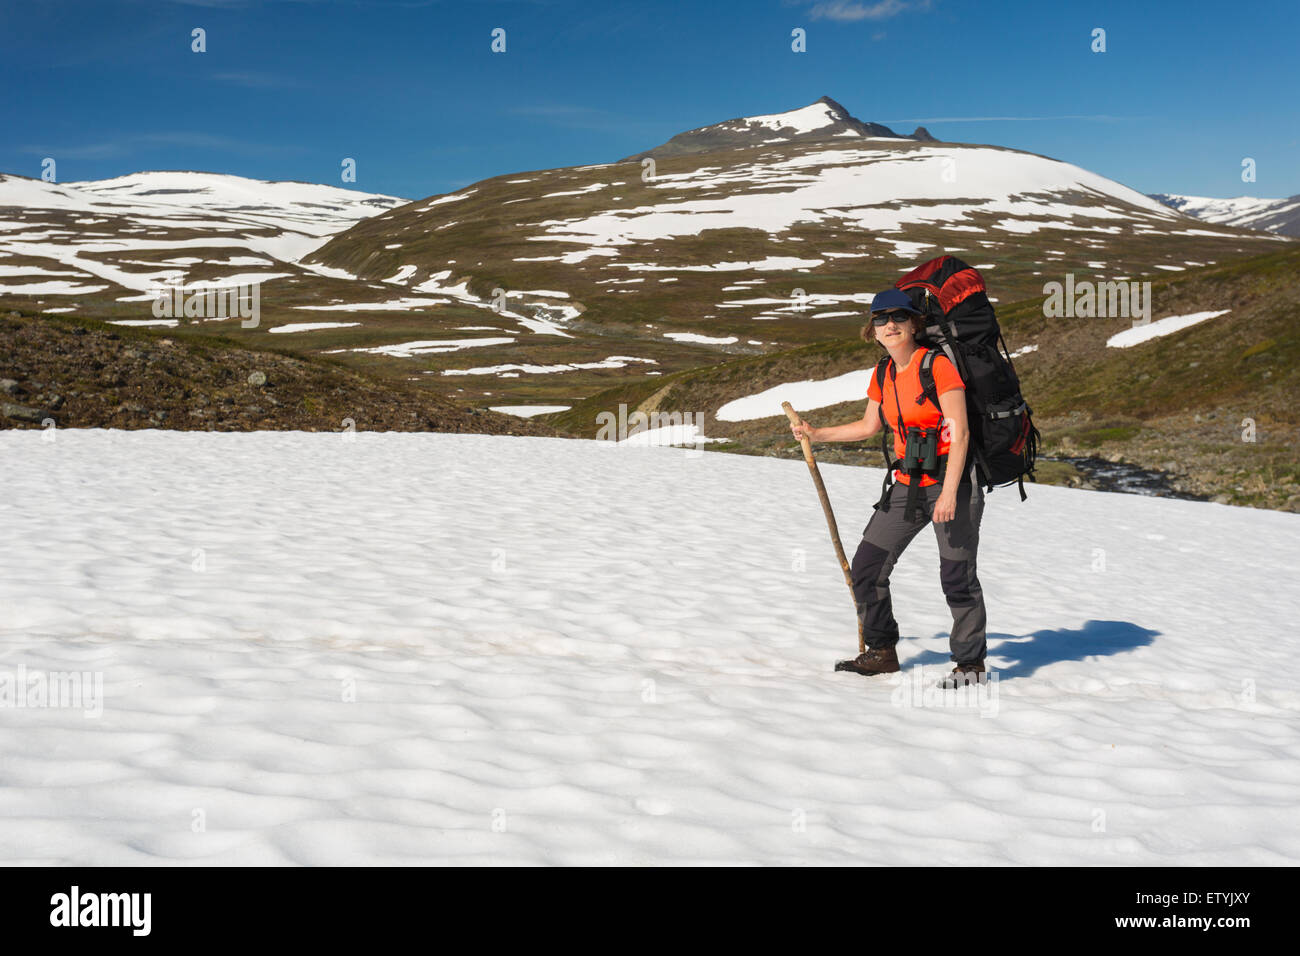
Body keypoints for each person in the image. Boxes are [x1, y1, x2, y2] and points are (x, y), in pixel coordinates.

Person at [790, 288, 988, 687]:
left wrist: (949, 493)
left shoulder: (937, 366)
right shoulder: (883, 372)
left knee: (956, 576)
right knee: (866, 568)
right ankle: (881, 652)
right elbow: (869, 426)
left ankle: (970, 666)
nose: (890, 325)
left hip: (952, 483)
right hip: (905, 484)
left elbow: (961, 431)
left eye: (899, 317)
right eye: (881, 319)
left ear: (915, 323)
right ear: (873, 330)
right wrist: (816, 433)